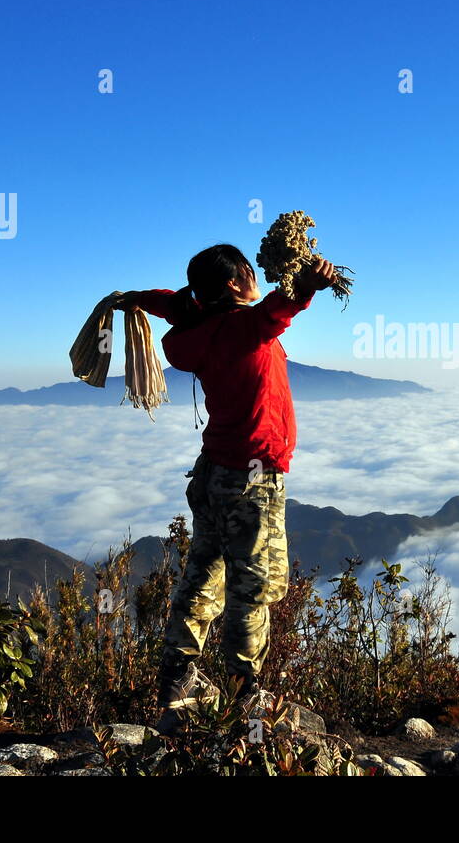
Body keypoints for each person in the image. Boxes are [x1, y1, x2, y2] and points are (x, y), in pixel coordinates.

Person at [115, 243, 338, 733]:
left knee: (203, 575)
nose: (258, 278)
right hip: (253, 479)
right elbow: (278, 311)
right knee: (251, 589)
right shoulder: (243, 328)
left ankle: (175, 684)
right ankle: (244, 697)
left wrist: (135, 297)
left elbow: (175, 302)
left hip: (213, 473)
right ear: (238, 281)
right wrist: (306, 286)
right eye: (251, 272)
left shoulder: (196, 330)